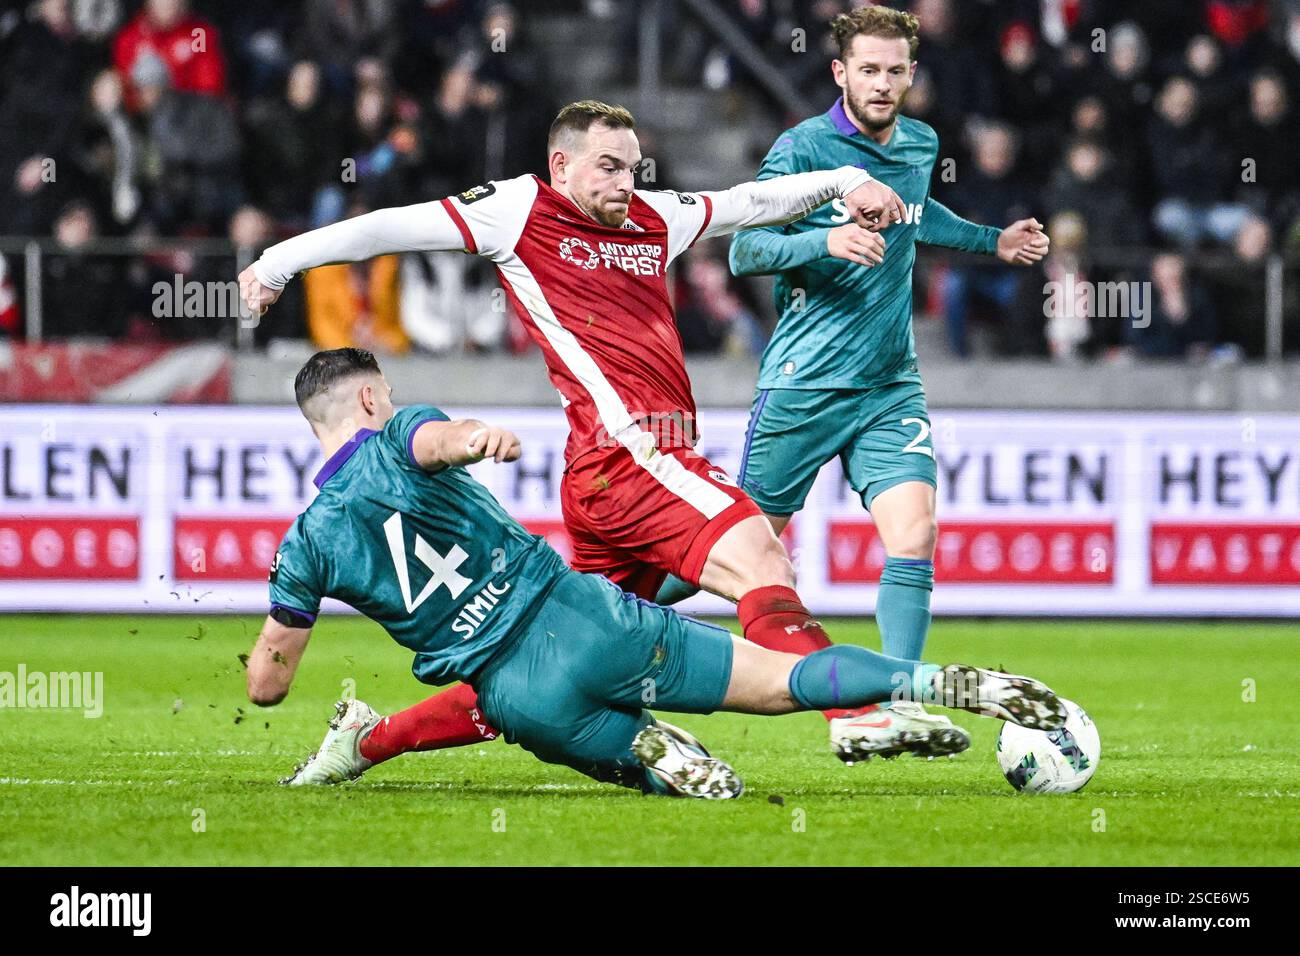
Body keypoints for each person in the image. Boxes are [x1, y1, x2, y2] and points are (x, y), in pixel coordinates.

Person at [238, 98, 908, 760]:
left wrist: (848, 181)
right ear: (560, 164)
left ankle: (371, 741)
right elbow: (386, 229)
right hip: (632, 452)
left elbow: (750, 203)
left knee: (552, 653)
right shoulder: (518, 210)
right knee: (761, 557)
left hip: (605, 475)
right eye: (608, 167)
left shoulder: (654, 218)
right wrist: (275, 264)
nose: (625, 183)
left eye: (633, 168)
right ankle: (854, 713)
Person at [246, 347, 1067, 798]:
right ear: (367, 403)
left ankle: (646, 750)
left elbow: (268, 685)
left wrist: (269, 658)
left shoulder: (304, 544)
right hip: (585, 620)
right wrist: (476, 438)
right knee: (783, 681)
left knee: (650, 768)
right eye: (385, 399)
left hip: (518, 701)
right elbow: (437, 439)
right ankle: (959, 687)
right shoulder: (401, 434)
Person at [722, 7, 1049, 760]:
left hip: (888, 384)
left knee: (917, 533)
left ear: (911, 73)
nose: (882, 82)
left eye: (895, 70)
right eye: (866, 69)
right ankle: (613, 605)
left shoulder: (923, 142)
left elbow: (915, 213)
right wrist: (825, 237)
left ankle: (901, 698)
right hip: (804, 385)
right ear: (839, 72)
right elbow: (745, 249)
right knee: (736, 556)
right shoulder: (803, 146)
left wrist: (989, 240)